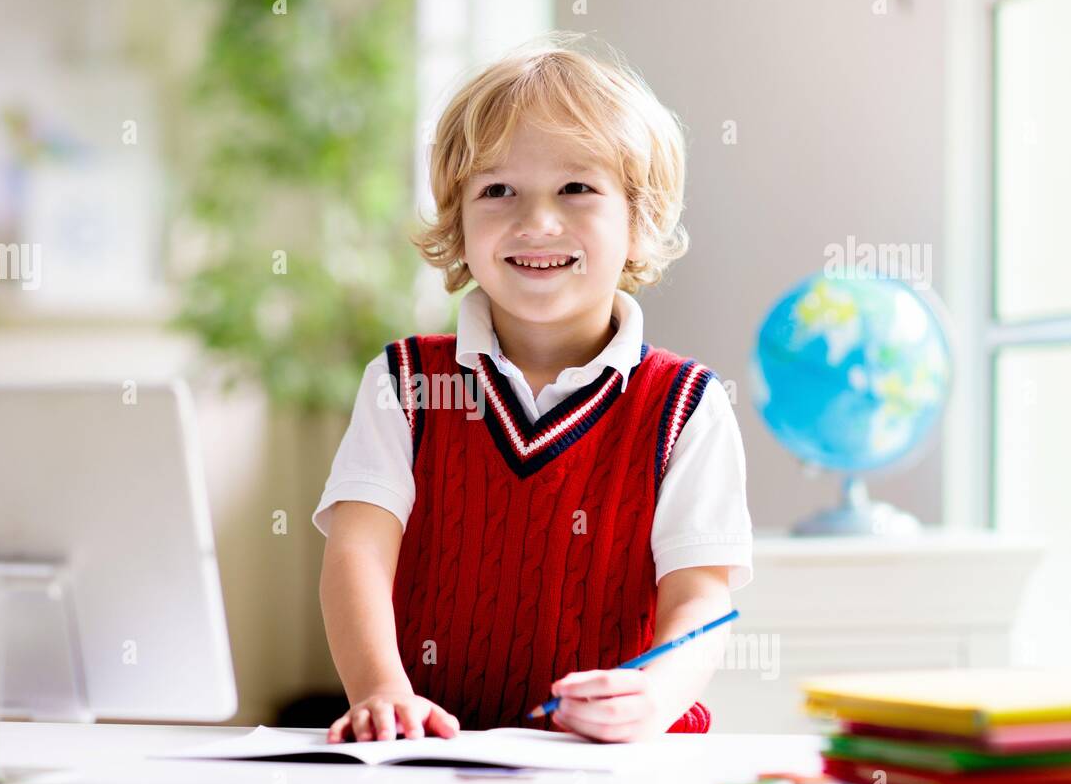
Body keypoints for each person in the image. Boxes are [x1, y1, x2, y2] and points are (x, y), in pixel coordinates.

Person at [312, 36, 752, 743]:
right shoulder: (402, 383)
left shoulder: (687, 405)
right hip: (432, 759)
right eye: (497, 190)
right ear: (457, 225)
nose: (536, 221)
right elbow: (357, 552)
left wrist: (656, 695)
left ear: (640, 222)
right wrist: (382, 692)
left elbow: (701, 594)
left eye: (577, 188)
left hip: (617, 769)